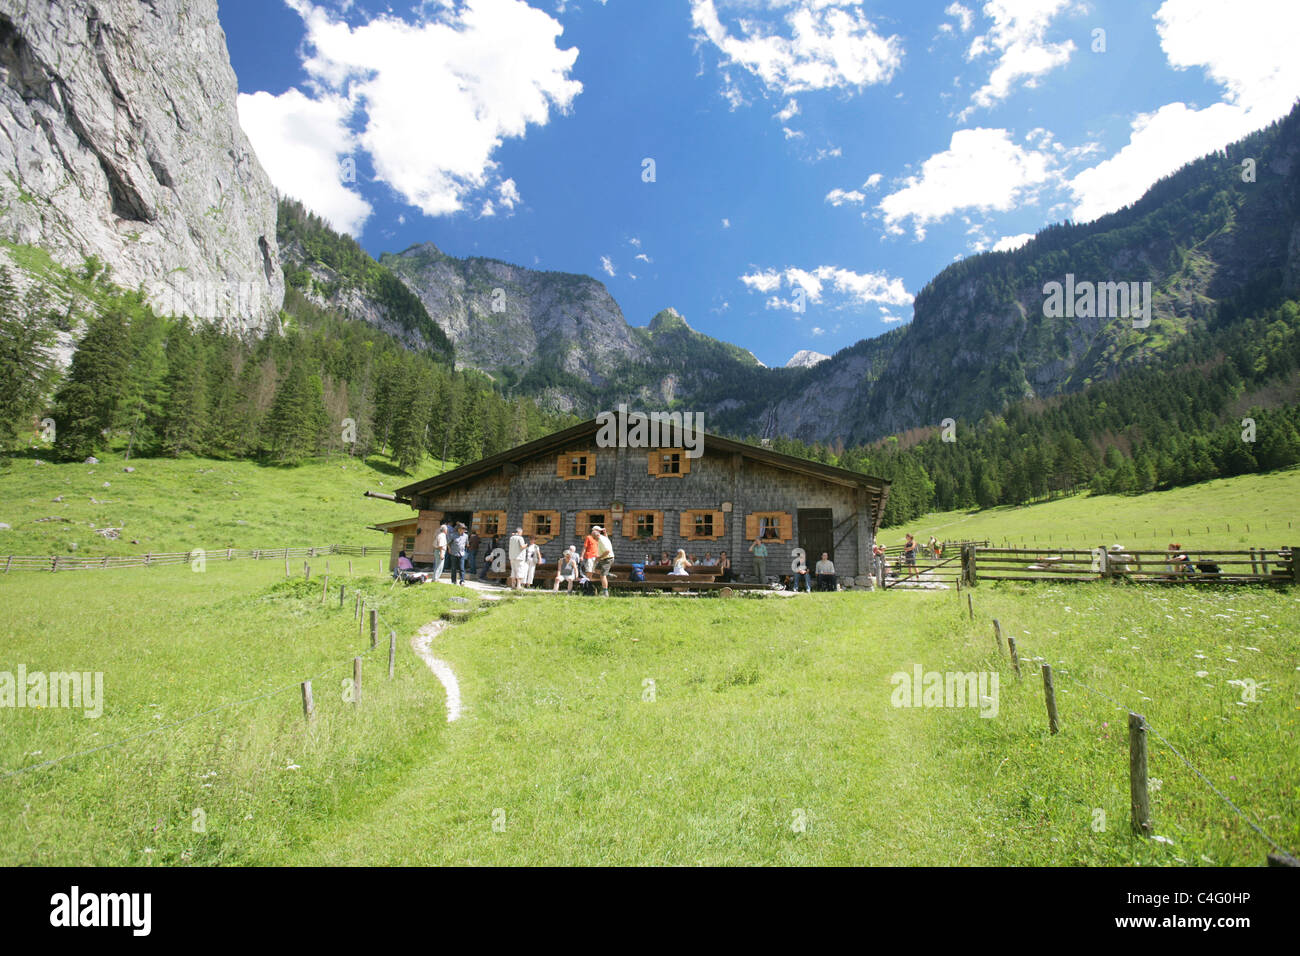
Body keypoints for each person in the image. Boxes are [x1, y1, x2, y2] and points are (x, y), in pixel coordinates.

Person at [593, 525, 615, 596]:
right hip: (603, 558)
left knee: (602, 576)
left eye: (593, 536)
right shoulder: (603, 537)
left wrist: (599, 557)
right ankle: (607, 574)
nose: (593, 538)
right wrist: (605, 533)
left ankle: (605, 593)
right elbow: (607, 538)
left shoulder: (601, 540)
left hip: (608, 558)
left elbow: (607, 551)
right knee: (596, 570)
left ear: (596, 534)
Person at [508, 526, 527, 590]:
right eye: (521, 532)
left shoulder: (511, 538)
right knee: (519, 570)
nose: (522, 533)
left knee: (513, 570)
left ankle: (513, 585)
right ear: (519, 532)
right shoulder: (520, 538)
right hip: (519, 557)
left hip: (512, 556)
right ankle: (518, 585)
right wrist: (526, 545)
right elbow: (522, 546)